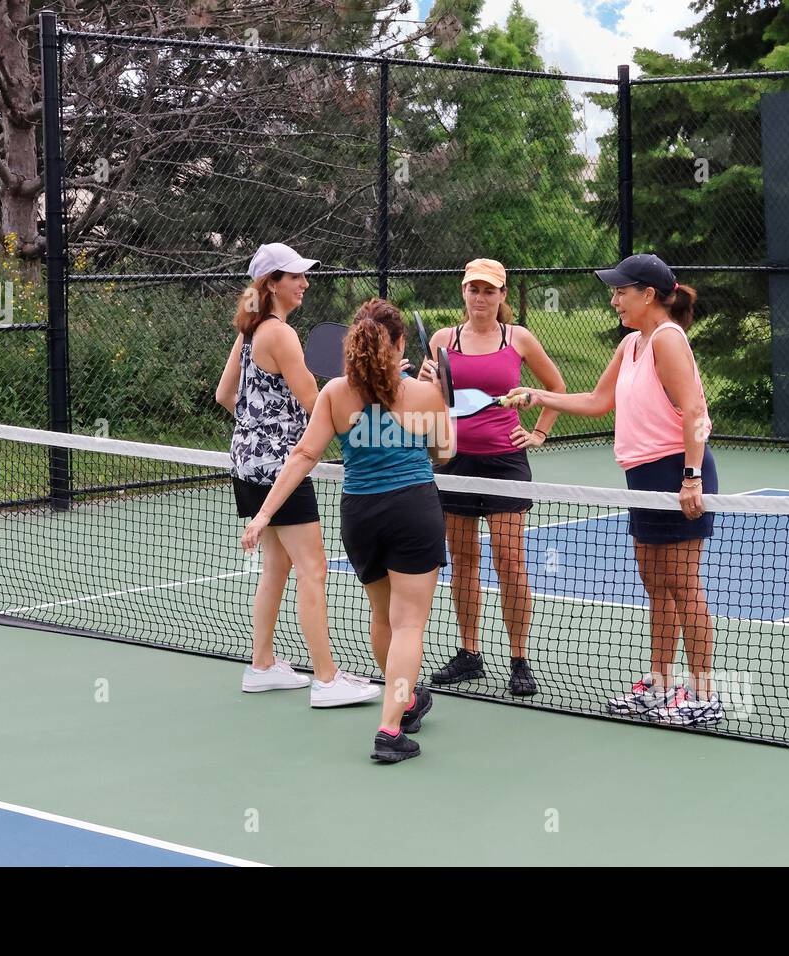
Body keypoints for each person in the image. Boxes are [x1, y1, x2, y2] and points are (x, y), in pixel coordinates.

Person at [507, 253, 723, 725]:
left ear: (648, 295)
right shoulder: (631, 346)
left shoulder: (668, 340)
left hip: (675, 473)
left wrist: (691, 477)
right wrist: (538, 395)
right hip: (640, 477)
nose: (614, 300)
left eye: (621, 291)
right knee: (657, 587)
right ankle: (662, 681)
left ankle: (704, 691)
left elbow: (693, 412)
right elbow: (597, 400)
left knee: (684, 587)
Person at [242, 298, 455, 762]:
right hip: (413, 510)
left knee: (384, 619)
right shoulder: (423, 395)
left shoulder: (334, 394)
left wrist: (262, 515)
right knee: (409, 625)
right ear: (398, 345)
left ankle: (405, 700)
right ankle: (390, 728)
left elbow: (302, 456)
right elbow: (444, 453)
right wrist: (440, 400)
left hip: (362, 517)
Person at [216, 242, 379, 708]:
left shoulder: (249, 331)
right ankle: (327, 679)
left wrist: (259, 429)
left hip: (246, 464)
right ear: (272, 284)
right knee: (314, 569)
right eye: (296, 277)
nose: (305, 283)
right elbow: (316, 404)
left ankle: (262, 665)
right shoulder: (281, 336)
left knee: (277, 566)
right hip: (279, 470)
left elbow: (225, 395)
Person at [419, 258, 565, 697]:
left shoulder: (517, 338)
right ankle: (470, 654)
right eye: (473, 289)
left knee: (510, 562)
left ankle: (519, 658)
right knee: (463, 563)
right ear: (463, 292)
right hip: (454, 463)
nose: (480, 298)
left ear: (502, 296)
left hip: (505, 463)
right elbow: (433, 402)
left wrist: (539, 431)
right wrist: (427, 379)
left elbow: (553, 388)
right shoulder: (444, 341)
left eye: (489, 290)